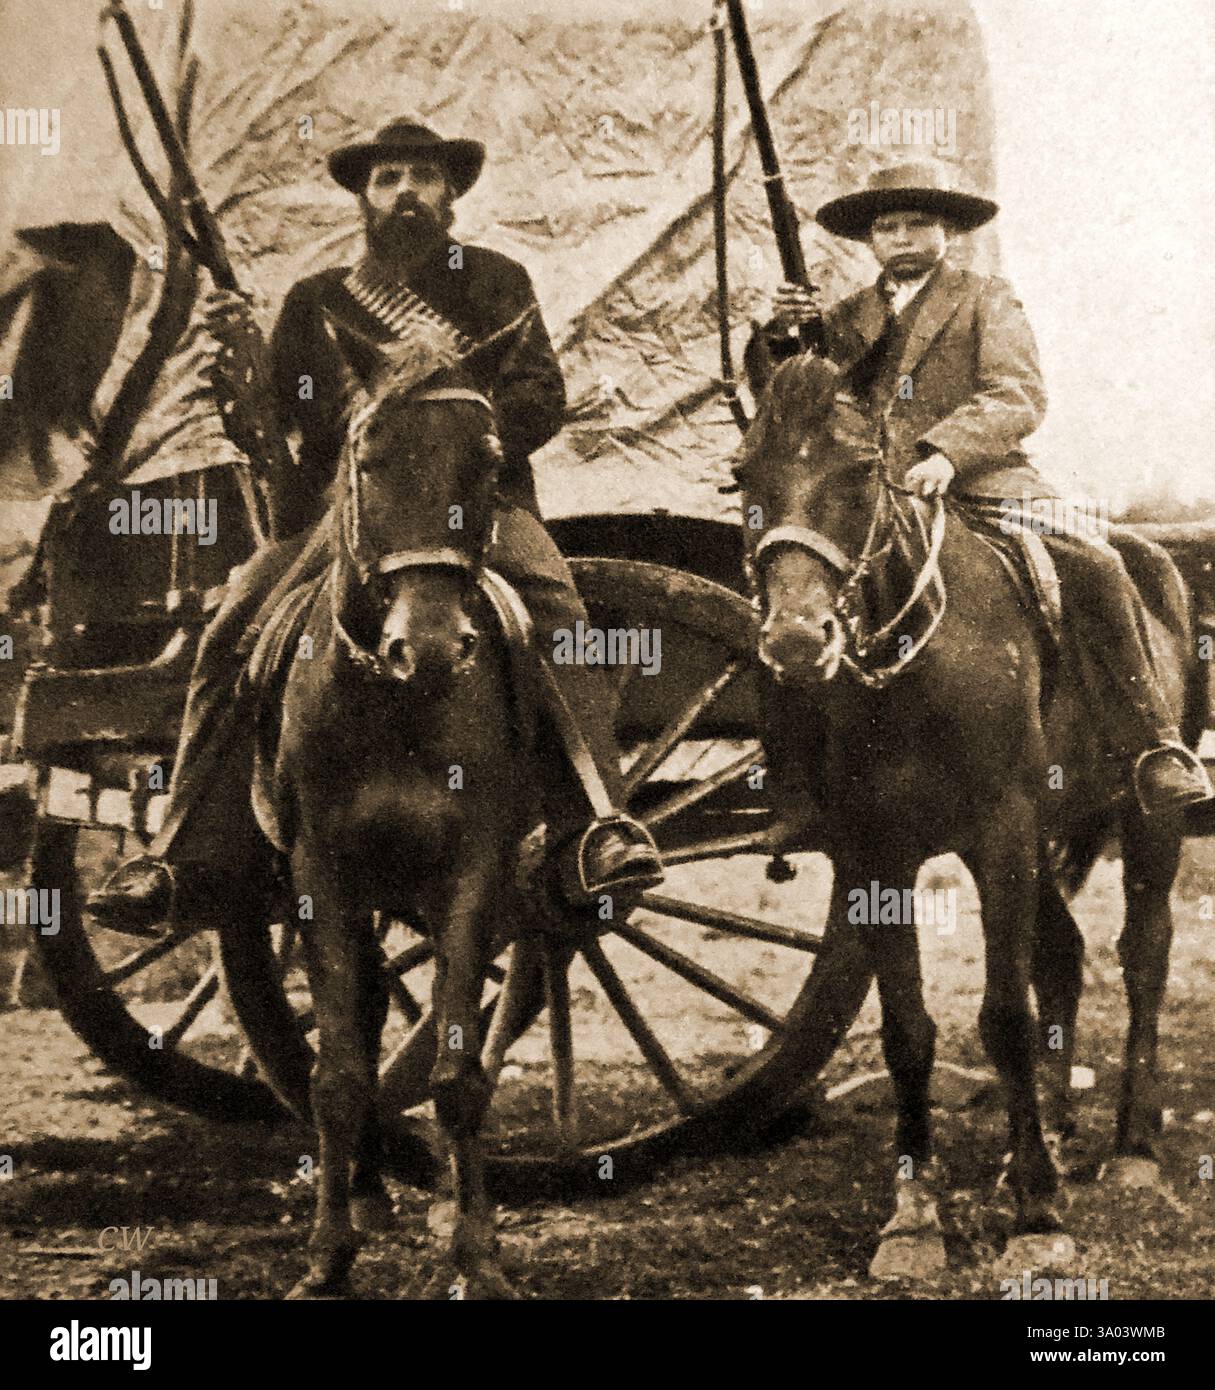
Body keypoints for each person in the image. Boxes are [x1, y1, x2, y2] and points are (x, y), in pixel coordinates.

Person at [88, 118, 663, 937]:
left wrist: (454, 442)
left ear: (451, 193)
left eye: (422, 178)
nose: (405, 194)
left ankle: (596, 830)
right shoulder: (317, 301)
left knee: (562, 619)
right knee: (231, 629)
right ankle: (182, 857)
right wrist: (244, 370)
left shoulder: (498, 282)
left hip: (478, 510)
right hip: (350, 517)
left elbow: (541, 395)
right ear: (363, 195)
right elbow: (284, 431)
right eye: (388, 178)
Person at [745, 160, 1213, 817]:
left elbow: (1015, 393)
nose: (903, 237)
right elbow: (794, 398)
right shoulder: (846, 318)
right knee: (785, 586)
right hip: (873, 492)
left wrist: (946, 452)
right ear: (869, 241)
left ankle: (1153, 744)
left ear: (947, 232)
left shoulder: (985, 298)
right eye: (887, 226)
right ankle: (798, 786)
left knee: (1099, 562)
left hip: (986, 481)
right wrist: (778, 336)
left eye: (918, 223)